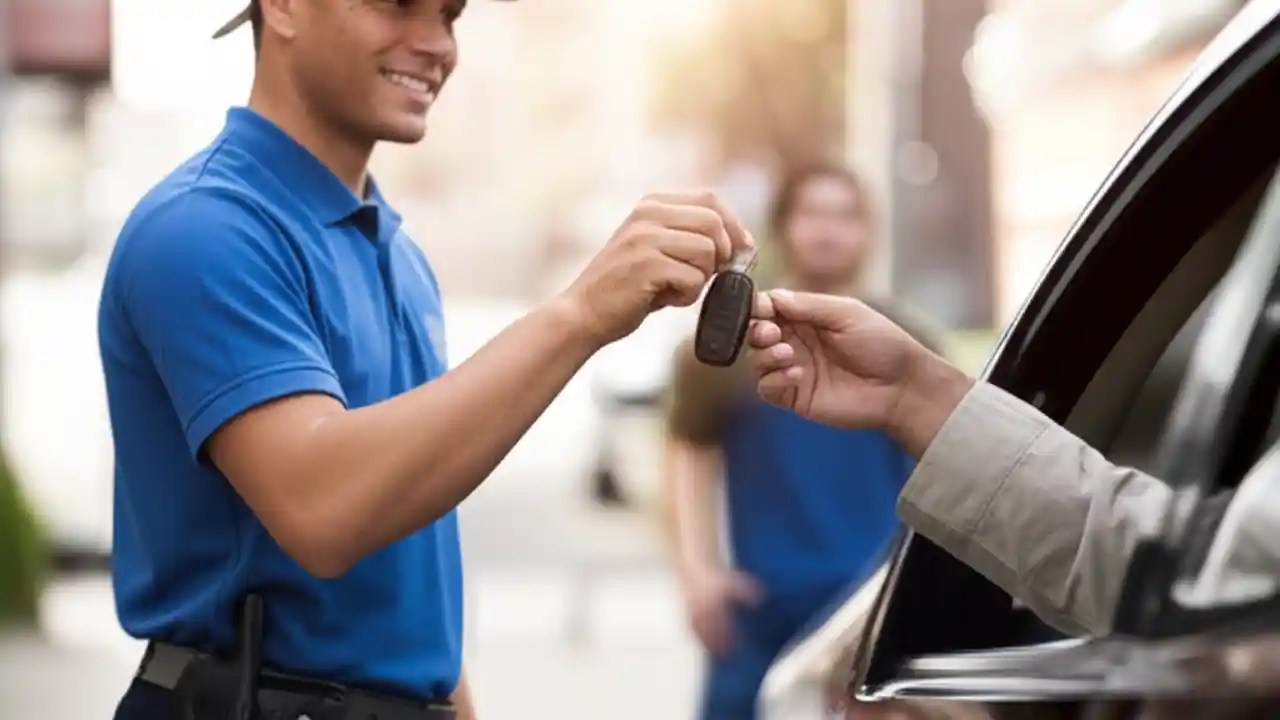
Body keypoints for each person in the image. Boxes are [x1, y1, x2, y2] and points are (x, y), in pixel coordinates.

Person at [98, 2, 754, 718]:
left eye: (449, 15)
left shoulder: (399, 257)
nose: (437, 44)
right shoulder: (204, 229)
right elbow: (323, 510)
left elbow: (406, 579)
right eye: (401, 5)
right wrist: (580, 315)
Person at [664, 163, 943, 720]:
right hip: (759, 610)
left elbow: (942, 474)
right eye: (813, 213)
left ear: (867, 232)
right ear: (785, 224)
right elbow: (689, 450)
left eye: (844, 215)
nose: (828, 230)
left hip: (868, 609)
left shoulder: (905, 343)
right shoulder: (735, 335)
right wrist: (699, 572)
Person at [744, 289, 1173, 638]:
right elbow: (1147, 564)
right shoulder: (751, 355)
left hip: (863, 579)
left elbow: (1147, 569)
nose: (827, 232)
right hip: (771, 594)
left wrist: (910, 395)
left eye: (843, 216)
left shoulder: (899, 324)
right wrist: (909, 395)